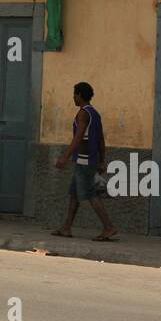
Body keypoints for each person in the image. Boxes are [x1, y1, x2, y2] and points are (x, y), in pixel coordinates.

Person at [53, 81, 118, 241]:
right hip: (91, 159)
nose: (73, 98)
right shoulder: (95, 113)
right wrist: (102, 160)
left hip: (84, 161)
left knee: (90, 194)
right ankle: (67, 227)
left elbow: (78, 137)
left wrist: (64, 156)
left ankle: (108, 227)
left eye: (74, 94)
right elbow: (101, 139)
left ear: (80, 95)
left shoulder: (83, 113)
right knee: (74, 194)